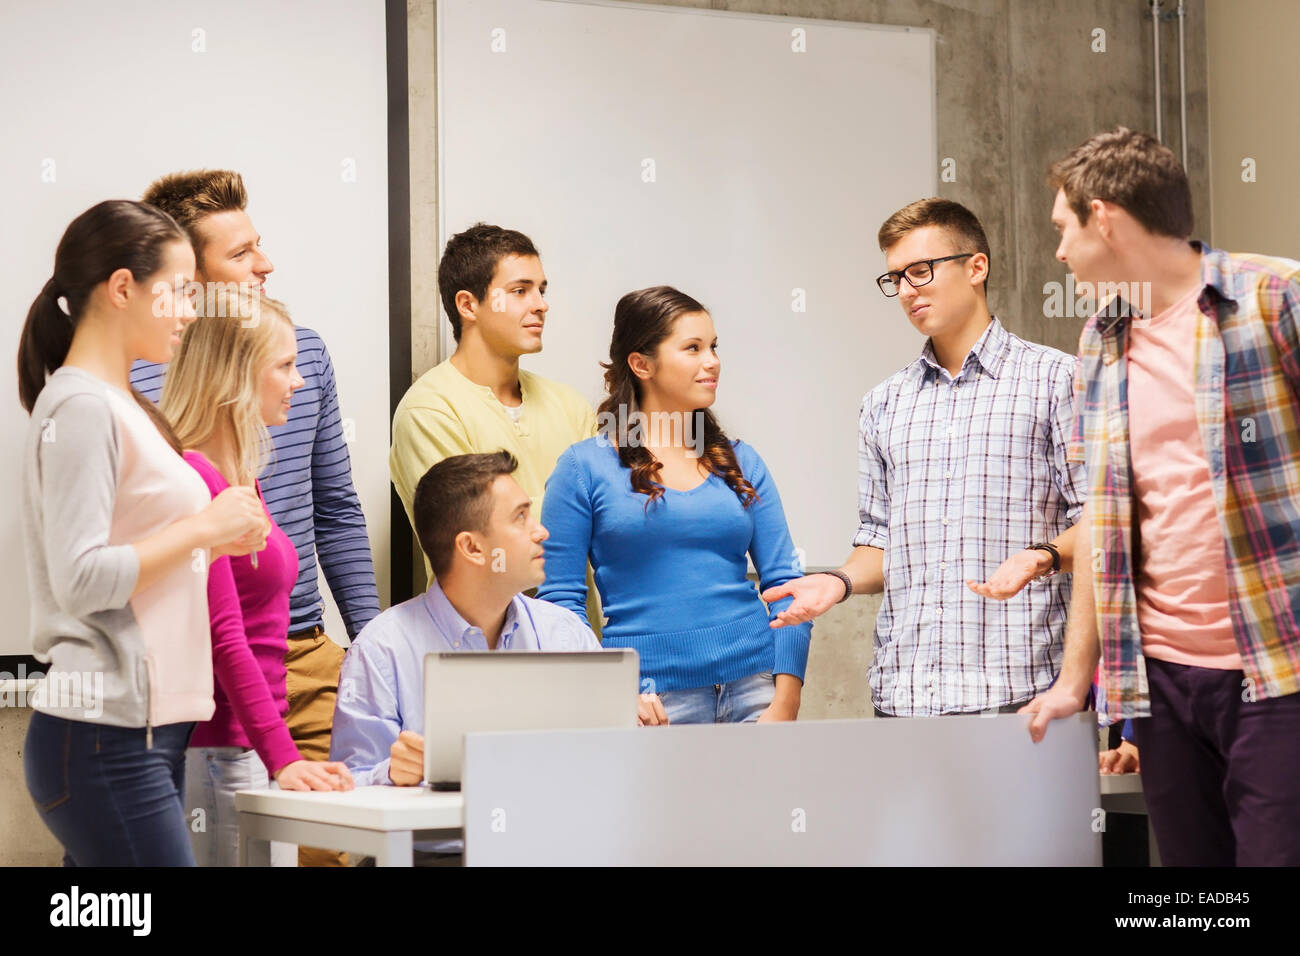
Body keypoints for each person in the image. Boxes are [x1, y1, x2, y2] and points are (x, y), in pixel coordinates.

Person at [1023, 127, 1300, 866]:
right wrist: (1072, 680)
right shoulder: (1100, 337)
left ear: (1104, 220)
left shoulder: (1275, 298)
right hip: (1161, 683)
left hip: (1277, 670)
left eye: (1063, 229)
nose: (1059, 254)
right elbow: (1101, 525)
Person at [132, 170, 378, 865]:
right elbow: (209, 616)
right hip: (215, 684)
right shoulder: (137, 383)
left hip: (302, 648)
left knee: (340, 845)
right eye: (240, 254)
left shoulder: (302, 359)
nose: (264, 264)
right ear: (188, 272)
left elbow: (336, 509)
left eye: (258, 245)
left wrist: (369, 645)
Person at [762, 199, 1086, 717]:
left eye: (920, 271)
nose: (908, 291)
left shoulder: (1056, 380)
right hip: (904, 694)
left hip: (1021, 691)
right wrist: (838, 582)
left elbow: (1099, 524)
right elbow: (879, 541)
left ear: (975, 266)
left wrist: (1039, 556)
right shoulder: (883, 404)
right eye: (896, 279)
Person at [18, 200, 267, 866]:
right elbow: (82, 579)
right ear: (123, 288)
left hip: (140, 734)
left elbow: (141, 552)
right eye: (181, 292)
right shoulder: (78, 407)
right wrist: (202, 528)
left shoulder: (120, 405)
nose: (192, 310)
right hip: (103, 735)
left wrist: (212, 538)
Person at [538, 286, 810, 723]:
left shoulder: (741, 460)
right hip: (651, 702)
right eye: (693, 348)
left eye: (714, 347)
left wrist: (786, 697)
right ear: (641, 363)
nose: (713, 361)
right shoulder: (582, 468)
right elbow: (560, 603)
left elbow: (787, 585)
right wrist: (611, 692)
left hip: (756, 690)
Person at [331, 451, 664, 792]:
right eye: (520, 517)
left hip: (553, 839)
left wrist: (637, 734)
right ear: (472, 548)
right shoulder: (380, 649)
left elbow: (607, 771)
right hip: (437, 845)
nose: (542, 532)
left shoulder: (564, 634)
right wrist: (390, 773)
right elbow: (349, 784)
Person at [161, 290, 355, 866]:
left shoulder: (243, 477)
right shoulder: (197, 480)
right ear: (235, 375)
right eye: (285, 365)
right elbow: (226, 639)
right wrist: (283, 758)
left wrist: (281, 752)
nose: (299, 381)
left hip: (257, 742)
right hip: (221, 747)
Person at [390, 223, 596, 585]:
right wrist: (577, 510)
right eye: (520, 291)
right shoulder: (429, 412)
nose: (541, 305)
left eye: (541, 290)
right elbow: (476, 542)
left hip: (576, 631)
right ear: (468, 305)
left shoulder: (570, 405)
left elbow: (610, 525)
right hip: (480, 636)